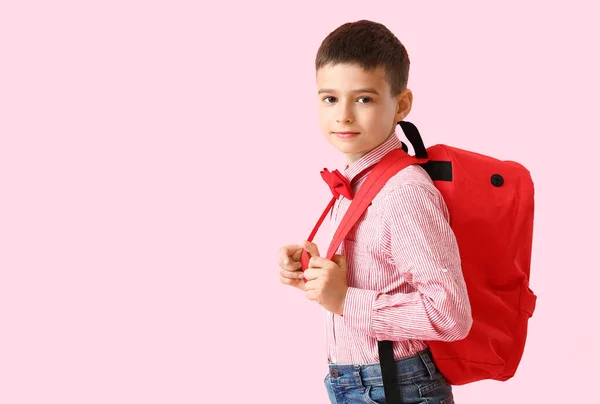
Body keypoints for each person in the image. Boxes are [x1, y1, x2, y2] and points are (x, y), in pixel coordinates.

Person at [278, 20, 472, 404]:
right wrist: (316, 273)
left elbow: (450, 314)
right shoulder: (357, 184)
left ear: (400, 104)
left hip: (394, 387)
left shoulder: (403, 193)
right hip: (364, 383)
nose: (344, 115)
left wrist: (345, 300)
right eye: (330, 98)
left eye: (364, 99)